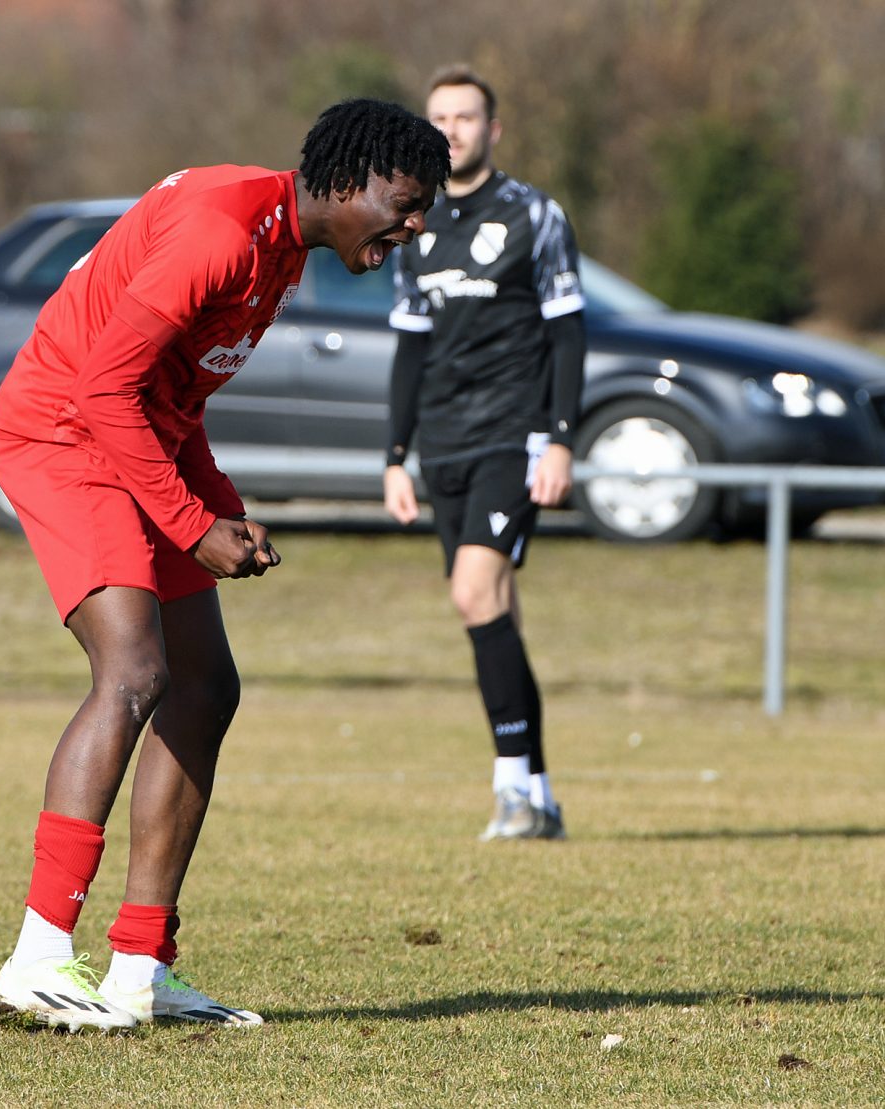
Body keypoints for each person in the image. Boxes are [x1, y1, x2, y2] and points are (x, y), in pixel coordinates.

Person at [0, 99, 450, 1031]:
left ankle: (138, 970)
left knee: (206, 686)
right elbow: (104, 387)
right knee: (136, 670)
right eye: (403, 202)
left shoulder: (280, 251)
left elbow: (173, 397)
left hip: (133, 438)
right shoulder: (220, 229)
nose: (415, 224)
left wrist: (219, 508)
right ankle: (36, 956)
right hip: (62, 433)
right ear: (348, 181)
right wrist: (193, 523)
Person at [383, 65, 585, 842]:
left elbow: (569, 331)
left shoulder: (535, 214)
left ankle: (510, 790)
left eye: (466, 117)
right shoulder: (412, 221)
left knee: (473, 594)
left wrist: (560, 437)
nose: (453, 130)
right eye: (440, 118)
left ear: (492, 129)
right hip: (444, 442)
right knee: (493, 607)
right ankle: (538, 792)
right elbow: (409, 347)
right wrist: (396, 454)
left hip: (515, 435)